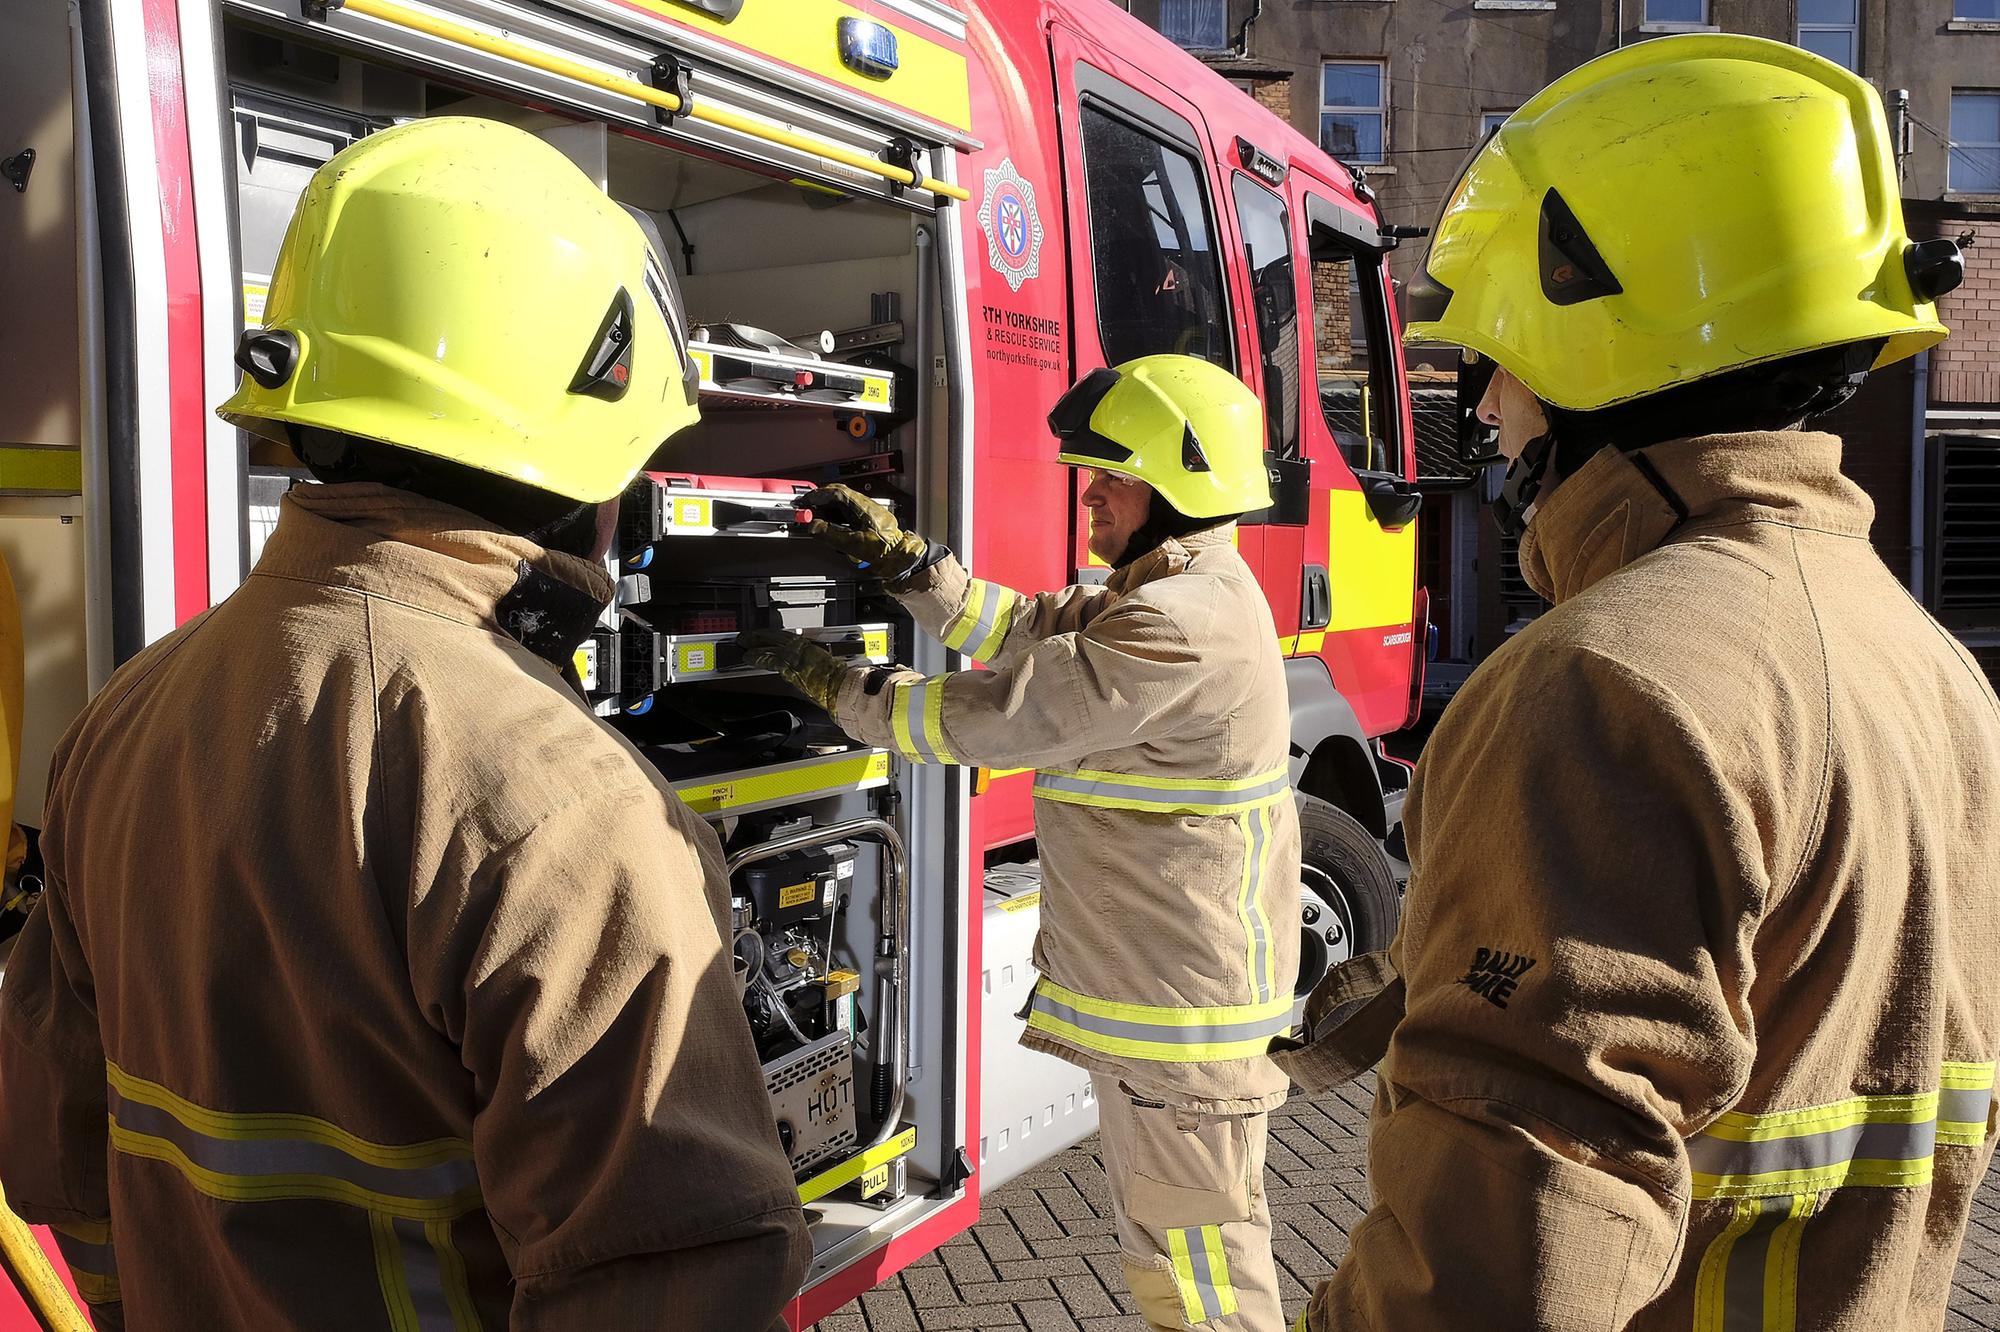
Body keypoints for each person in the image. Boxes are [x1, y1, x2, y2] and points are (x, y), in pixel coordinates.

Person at [0, 117, 808, 1330]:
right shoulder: (561, 804)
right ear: (585, 467)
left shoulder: (130, 712)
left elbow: (52, 1151)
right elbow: (672, 1282)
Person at [1282, 34, 2000, 1331]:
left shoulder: (1598, 688)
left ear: (1589, 327)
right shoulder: (1931, 670)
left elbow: (1506, 1258)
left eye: (1495, 360)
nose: (1486, 407)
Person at [740, 354, 1299, 1331]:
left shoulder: (1180, 622)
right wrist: (917, 572)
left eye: (1111, 475)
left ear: (1179, 484)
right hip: (1174, 1016)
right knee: (1175, 1257)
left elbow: (985, 717)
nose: (1091, 493)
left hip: (1183, 1034)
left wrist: (815, 675)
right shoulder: (1167, 589)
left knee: (1204, 1274)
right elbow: (1032, 627)